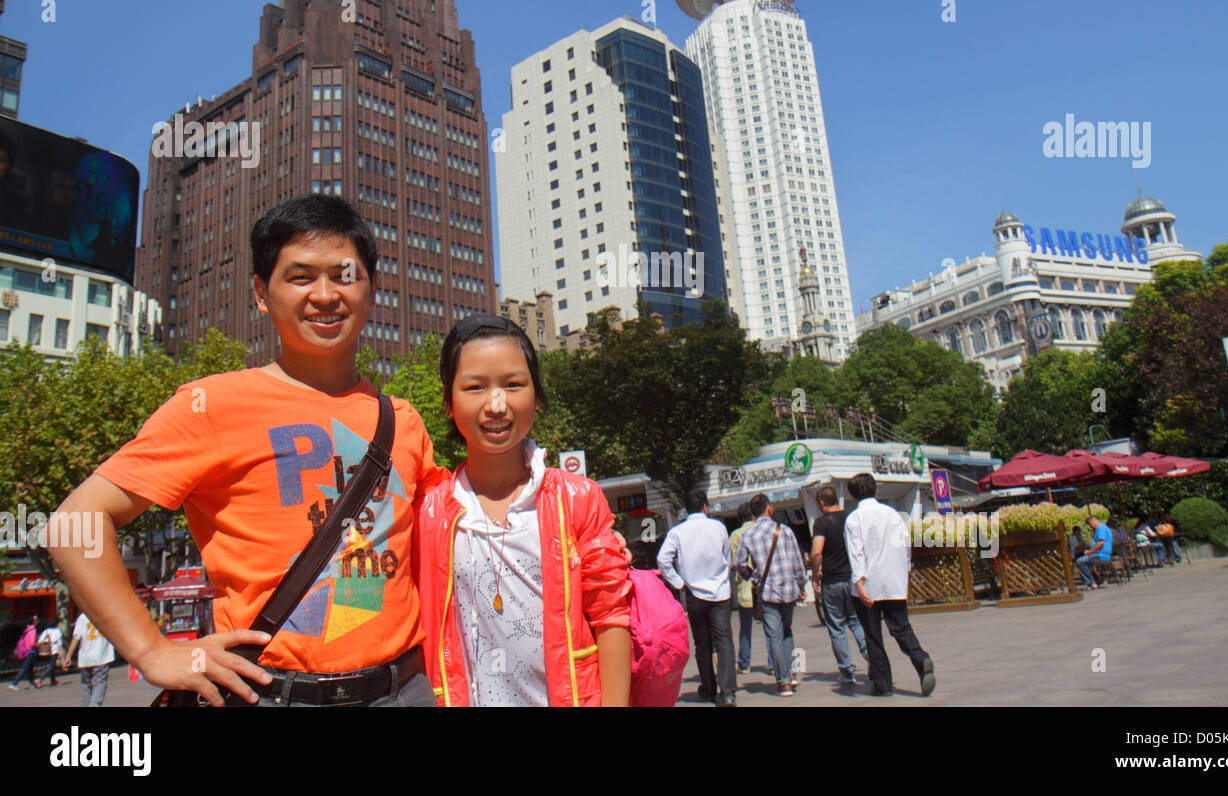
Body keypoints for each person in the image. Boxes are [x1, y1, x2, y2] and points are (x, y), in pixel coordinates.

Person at [49, 196, 450, 706]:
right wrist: (151, 650)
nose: (325, 295)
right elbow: (75, 522)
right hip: (272, 695)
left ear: (372, 289)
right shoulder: (211, 405)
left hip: (405, 690)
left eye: (344, 275)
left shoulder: (405, 421)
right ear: (262, 294)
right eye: (300, 277)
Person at [413, 315, 632, 706]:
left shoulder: (578, 500)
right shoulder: (426, 511)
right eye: (475, 387)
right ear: (449, 402)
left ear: (536, 393)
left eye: (513, 385)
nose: (496, 405)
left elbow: (610, 617)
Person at [844, 474, 935, 698]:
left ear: (852, 495)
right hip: (893, 581)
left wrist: (859, 585)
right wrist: (905, 573)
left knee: (873, 635)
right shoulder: (893, 515)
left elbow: (856, 555)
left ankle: (882, 684)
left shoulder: (854, 519)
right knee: (901, 628)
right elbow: (905, 546)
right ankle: (920, 657)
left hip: (868, 585)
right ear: (875, 490)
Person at [657, 489, 736, 706]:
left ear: (686, 508)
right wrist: (722, 577)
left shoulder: (677, 532)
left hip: (694, 594)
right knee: (724, 641)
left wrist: (680, 583)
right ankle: (728, 691)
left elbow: (662, 560)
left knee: (702, 643)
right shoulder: (718, 527)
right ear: (705, 507)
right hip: (720, 593)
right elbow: (727, 558)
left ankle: (709, 689)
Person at [734, 494, 806, 697]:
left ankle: (783, 683)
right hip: (789, 590)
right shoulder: (785, 530)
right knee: (787, 630)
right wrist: (801, 585)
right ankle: (791, 673)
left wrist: (751, 575)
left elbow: (740, 564)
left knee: (774, 635)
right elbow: (797, 560)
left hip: (766, 591)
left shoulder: (747, 535)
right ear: (769, 509)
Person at [810, 485, 868, 691]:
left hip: (832, 581)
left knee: (836, 628)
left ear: (821, 503)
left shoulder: (821, 523)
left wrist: (815, 575)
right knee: (856, 621)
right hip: (852, 579)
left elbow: (817, 552)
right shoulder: (850, 518)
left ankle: (846, 671)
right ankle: (872, 658)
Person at [728, 502, 770, 676]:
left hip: (745, 586)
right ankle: (773, 663)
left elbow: (734, 563)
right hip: (765, 585)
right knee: (770, 626)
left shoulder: (735, 535)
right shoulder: (763, 531)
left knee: (745, 627)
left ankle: (744, 663)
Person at [63, 611, 115, 706]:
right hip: (101, 656)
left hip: (85, 658)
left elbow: (76, 638)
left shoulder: (83, 617)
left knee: (86, 686)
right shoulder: (105, 614)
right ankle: (95, 703)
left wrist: (68, 656)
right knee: (100, 682)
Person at [1076, 515, 1113, 589]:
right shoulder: (1103, 528)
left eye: (1090, 525)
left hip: (1101, 555)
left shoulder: (1100, 528)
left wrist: (1090, 551)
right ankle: (1096, 579)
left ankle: (1091, 582)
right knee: (1086, 562)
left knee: (1080, 561)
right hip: (1101, 554)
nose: (1091, 527)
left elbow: (1100, 543)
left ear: (1093, 522)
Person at [7, 614, 40, 691]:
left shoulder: (27, 629)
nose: (38, 621)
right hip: (30, 651)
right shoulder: (33, 630)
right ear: (34, 621)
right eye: (37, 620)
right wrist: (38, 644)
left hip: (27, 651)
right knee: (25, 668)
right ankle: (13, 683)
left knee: (30, 668)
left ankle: (32, 683)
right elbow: (32, 643)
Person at [34, 620, 64, 687]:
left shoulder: (46, 631)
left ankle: (53, 681)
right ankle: (39, 679)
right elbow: (60, 643)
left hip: (47, 651)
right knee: (51, 666)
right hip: (54, 650)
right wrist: (60, 652)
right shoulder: (57, 631)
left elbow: (40, 640)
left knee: (51, 665)